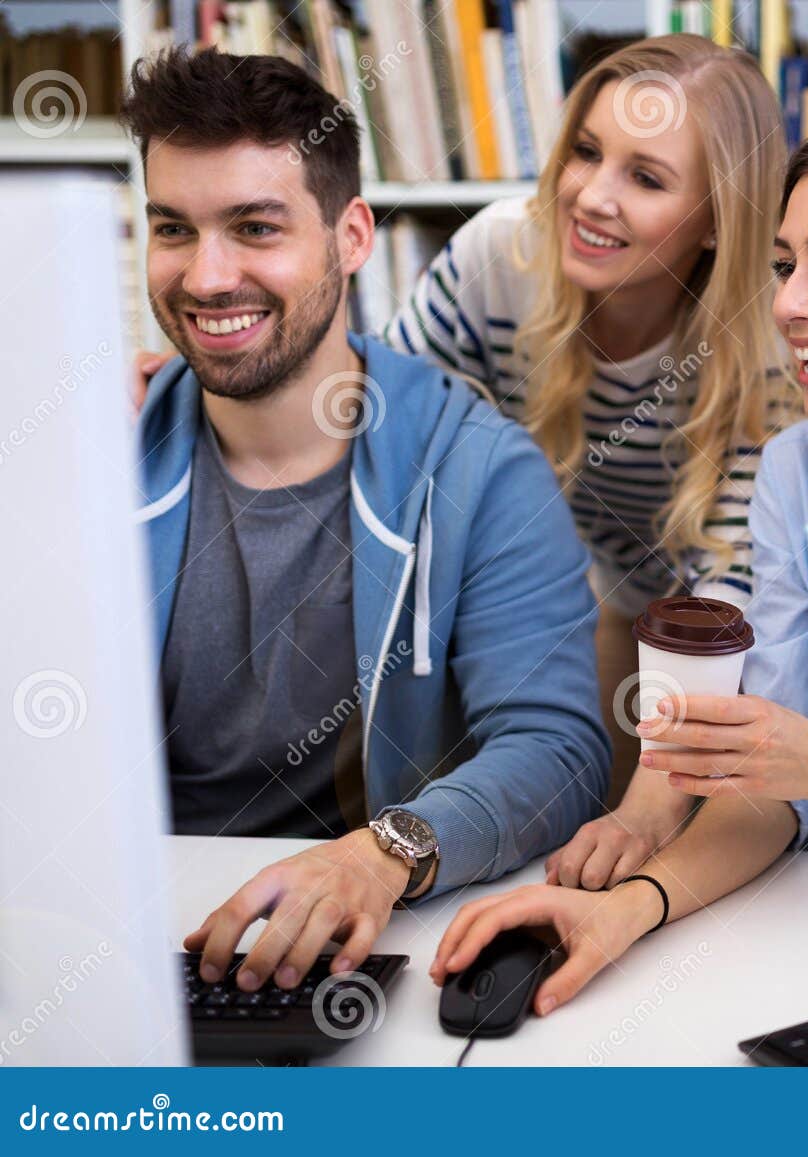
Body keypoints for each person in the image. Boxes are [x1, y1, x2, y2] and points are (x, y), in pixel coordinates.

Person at [429, 116, 808, 1015]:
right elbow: (775, 793)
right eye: (785, 266)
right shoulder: (799, 472)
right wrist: (630, 912)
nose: (792, 303)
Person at [122, 47, 609, 993]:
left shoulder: (482, 470)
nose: (207, 276)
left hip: (375, 939)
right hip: (121, 933)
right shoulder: (90, 459)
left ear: (352, 237)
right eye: (173, 228)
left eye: (255, 227)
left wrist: (381, 855)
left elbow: (558, 755)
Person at [381, 34, 795, 887]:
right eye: (586, 152)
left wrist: (648, 807)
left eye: (645, 178)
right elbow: (383, 422)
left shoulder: (768, 341)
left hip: (714, 625)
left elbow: (727, 590)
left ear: (718, 220)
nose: (591, 197)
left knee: (652, 850)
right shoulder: (500, 257)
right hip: (560, 583)